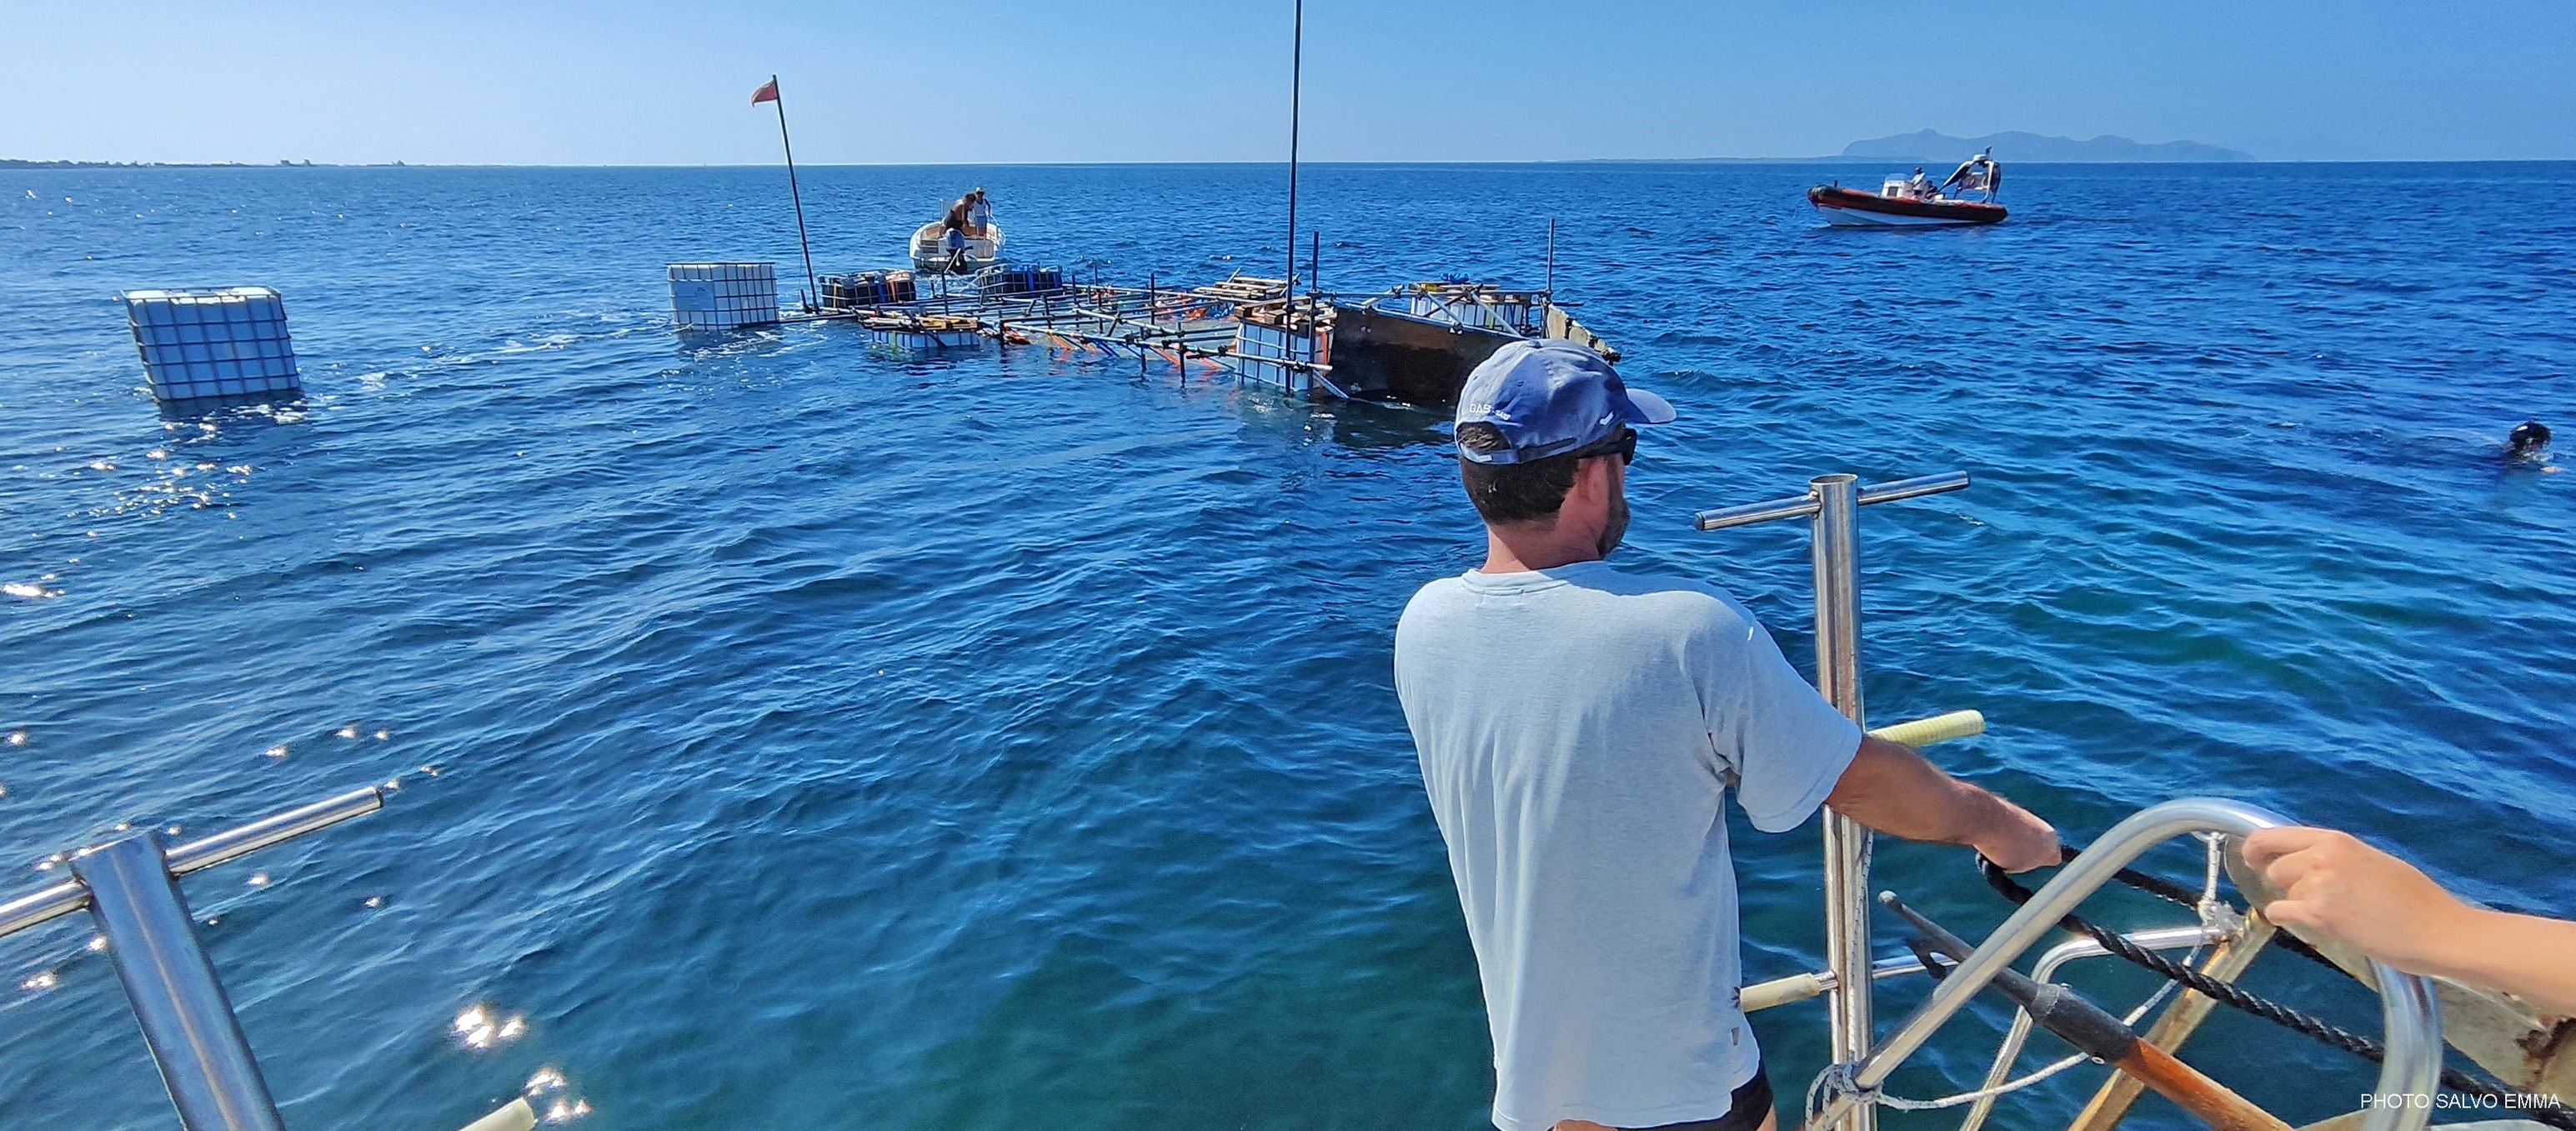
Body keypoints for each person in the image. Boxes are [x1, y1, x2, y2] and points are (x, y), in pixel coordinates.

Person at [1394, 340, 2060, 1131]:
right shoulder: (1690, 632)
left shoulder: (1424, 627)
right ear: (1591, 473)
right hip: (1685, 1086)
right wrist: (2000, 825)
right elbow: (1858, 779)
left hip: (1535, 1085)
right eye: (1626, 448)